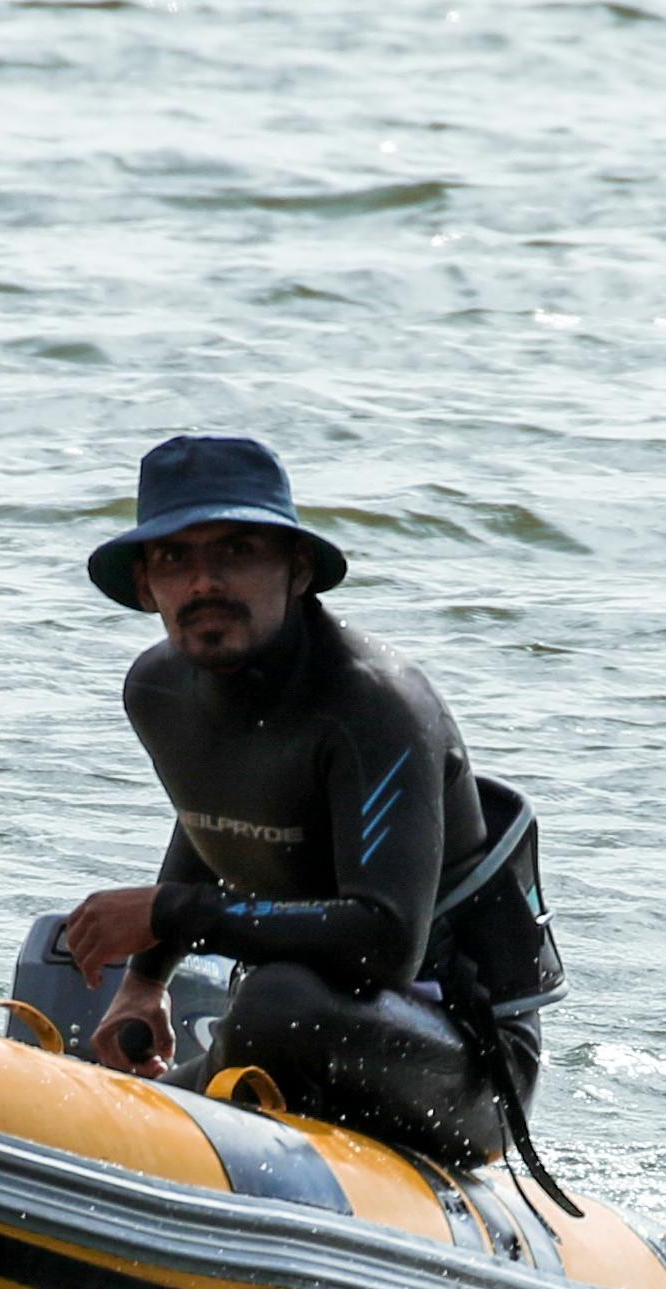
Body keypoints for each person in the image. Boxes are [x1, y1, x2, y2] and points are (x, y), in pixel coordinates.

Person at [41, 432, 556, 1168]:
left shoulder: (376, 708)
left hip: (461, 1058)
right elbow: (212, 820)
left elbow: (384, 940)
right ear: (146, 586)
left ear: (298, 569)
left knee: (277, 1002)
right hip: (295, 1018)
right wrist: (146, 981)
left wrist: (169, 914)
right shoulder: (156, 692)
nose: (204, 582)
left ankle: (150, 1124)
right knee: (80, 953)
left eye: (238, 552)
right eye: (174, 559)